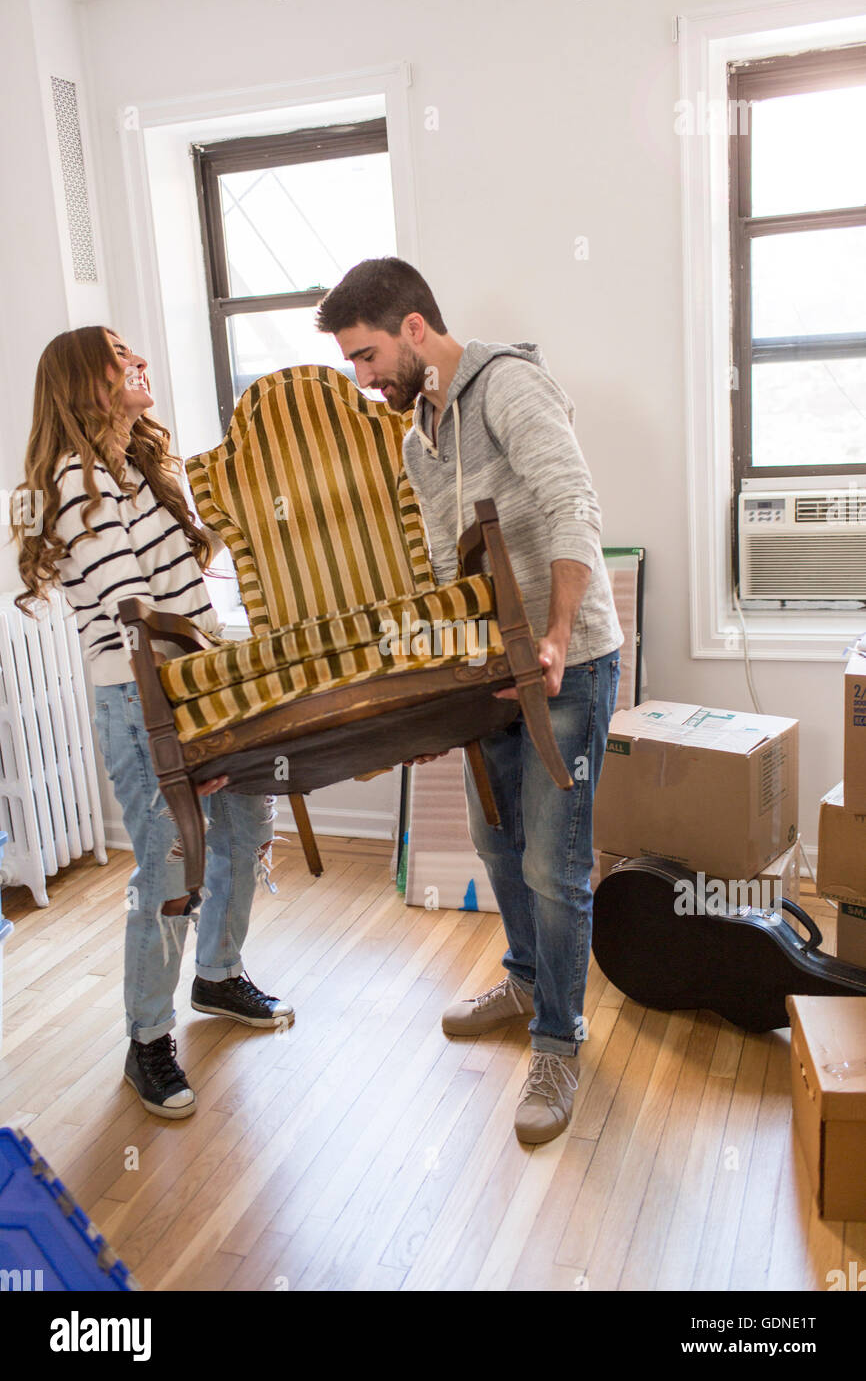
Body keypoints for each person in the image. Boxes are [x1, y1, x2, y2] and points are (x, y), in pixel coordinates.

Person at [316, 259, 623, 1144]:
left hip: (569, 662)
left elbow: (574, 507)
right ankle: (527, 977)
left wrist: (560, 632)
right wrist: (424, 696)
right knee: (498, 841)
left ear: (416, 329)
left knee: (554, 865)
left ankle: (559, 1042)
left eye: (367, 355)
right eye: (351, 362)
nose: (362, 377)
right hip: (485, 669)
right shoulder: (417, 439)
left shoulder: (509, 388)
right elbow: (443, 576)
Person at [11, 326, 292, 1119]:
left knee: (243, 828)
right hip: (146, 701)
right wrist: (195, 715)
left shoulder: (136, 467)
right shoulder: (76, 482)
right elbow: (140, 614)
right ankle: (147, 1041)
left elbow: (187, 592)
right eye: (119, 357)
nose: (139, 363)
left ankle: (218, 973)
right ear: (85, 383)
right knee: (170, 866)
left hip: (198, 685)